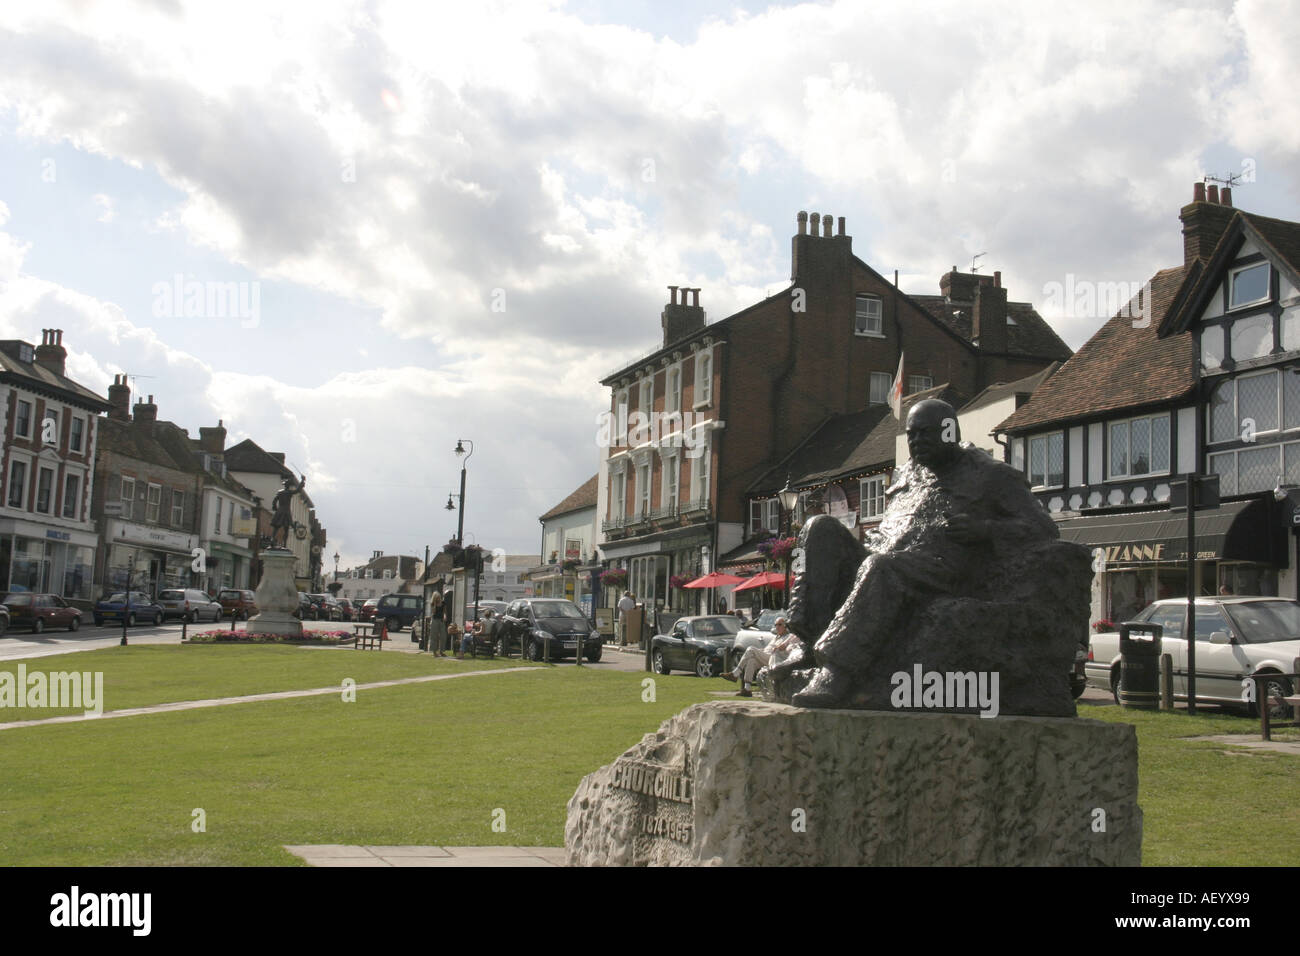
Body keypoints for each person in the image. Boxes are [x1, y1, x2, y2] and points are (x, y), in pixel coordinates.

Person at [775, 398, 1060, 708]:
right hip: (883, 556)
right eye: (912, 435)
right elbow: (888, 528)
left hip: (941, 567)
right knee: (819, 528)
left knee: (882, 566)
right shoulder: (908, 474)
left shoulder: (990, 474)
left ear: (949, 431)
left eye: (926, 433)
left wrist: (985, 528)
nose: (917, 442)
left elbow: (1043, 527)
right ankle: (806, 643)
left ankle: (836, 671)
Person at [722, 617, 800, 697]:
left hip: (775, 658)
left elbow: (785, 648)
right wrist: (760, 650)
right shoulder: (776, 637)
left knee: (751, 649)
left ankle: (736, 673)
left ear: (785, 626)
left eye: (780, 624)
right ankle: (747, 689)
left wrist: (779, 647)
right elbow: (767, 649)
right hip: (766, 656)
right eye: (776, 625)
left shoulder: (788, 636)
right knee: (751, 661)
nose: (777, 627)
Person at [428, 591, 448, 657]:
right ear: (434, 598)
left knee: (443, 636)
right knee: (434, 636)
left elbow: (444, 612)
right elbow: (433, 612)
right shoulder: (433, 603)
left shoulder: (443, 603)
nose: (438, 599)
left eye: (439, 597)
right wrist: (434, 605)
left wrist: (445, 616)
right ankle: (434, 652)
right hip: (434, 620)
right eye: (437, 598)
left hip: (441, 620)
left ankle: (441, 651)